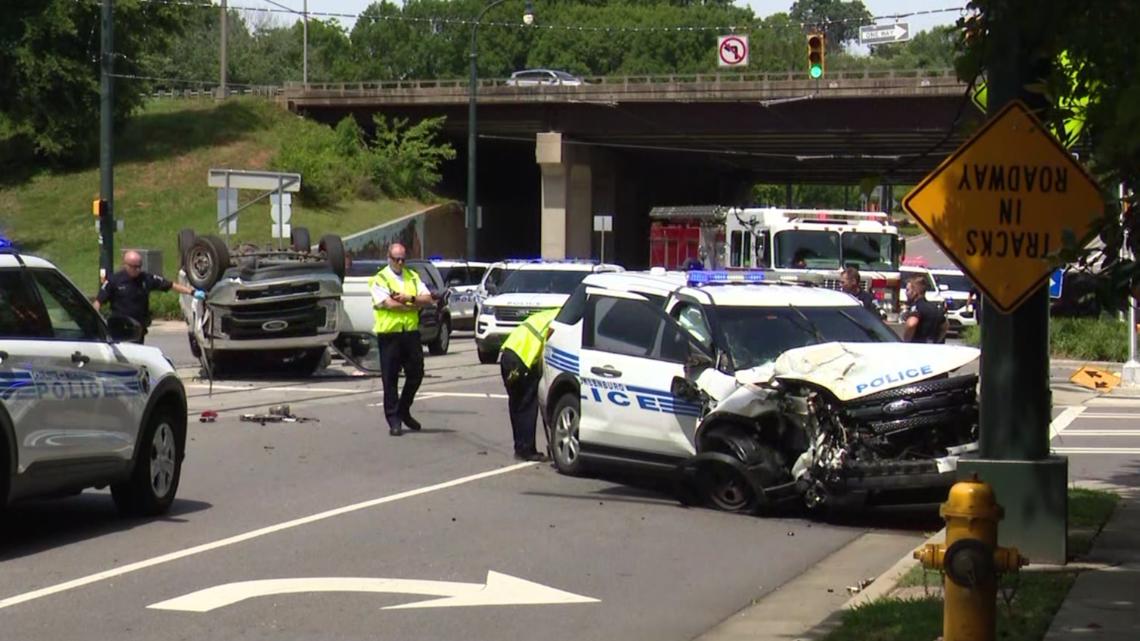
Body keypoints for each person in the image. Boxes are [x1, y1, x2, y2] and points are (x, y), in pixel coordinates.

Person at [370, 242, 434, 436]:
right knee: (390, 378)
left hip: (410, 333)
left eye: (403, 259)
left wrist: (409, 298)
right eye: (396, 259)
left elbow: (428, 298)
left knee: (416, 373)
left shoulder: (412, 276)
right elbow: (388, 303)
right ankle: (393, 420)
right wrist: (411, 305)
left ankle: (403, 409)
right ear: (389, 258)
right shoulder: (380, 278)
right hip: (390, 334)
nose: (400, 263)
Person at [94, 250, 201, 344]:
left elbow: (170, 285)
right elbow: (98, 301)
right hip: (119, 328)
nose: (138, 270)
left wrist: (192, 292)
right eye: (134, 267)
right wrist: (94, 320)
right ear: (125, 265)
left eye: (139, 266)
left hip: (138, 328)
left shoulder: (145, 278)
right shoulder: (114, 280)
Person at [499, 308, 559, 461]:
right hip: (522, 361)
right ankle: (527, 450)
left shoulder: (548, 314)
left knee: (516, 404)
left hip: (508, 356)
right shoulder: (558, 322)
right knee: (527, 406)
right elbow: (549, 350)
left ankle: (520, 448)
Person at [903, 274, 948, 343]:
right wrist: (937, 341)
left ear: (914, 292)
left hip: (916, 348)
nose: (906, 293)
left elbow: (911, 324)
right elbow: (945, 325)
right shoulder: (935, 308)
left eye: (907, 290)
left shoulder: (917, 307)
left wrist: (906, 342)